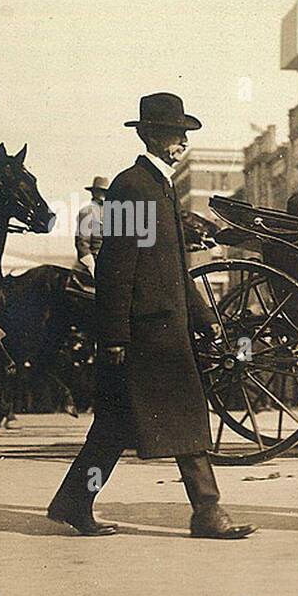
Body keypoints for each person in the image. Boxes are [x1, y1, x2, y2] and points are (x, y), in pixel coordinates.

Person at [47, 92, 255, 540]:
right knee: (186, 417)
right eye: (173, 134)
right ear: (151, 136)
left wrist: (204, 317)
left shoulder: (158, 186)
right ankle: (208, 512)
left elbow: (175, 268)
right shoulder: (133, 186)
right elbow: (118, 266)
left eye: (183, 135)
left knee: (114, 427)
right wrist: (115, 335)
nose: (181, 142)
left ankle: (74, 502)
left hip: (163, 324)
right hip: (147, 332)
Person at [74, 176, 109, 283]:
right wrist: (92, 266)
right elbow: (82, 243)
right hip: (95, 261)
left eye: (104, 192)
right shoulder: (87, 212)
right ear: (93, 193)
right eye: (99, 191)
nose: (102, 195)